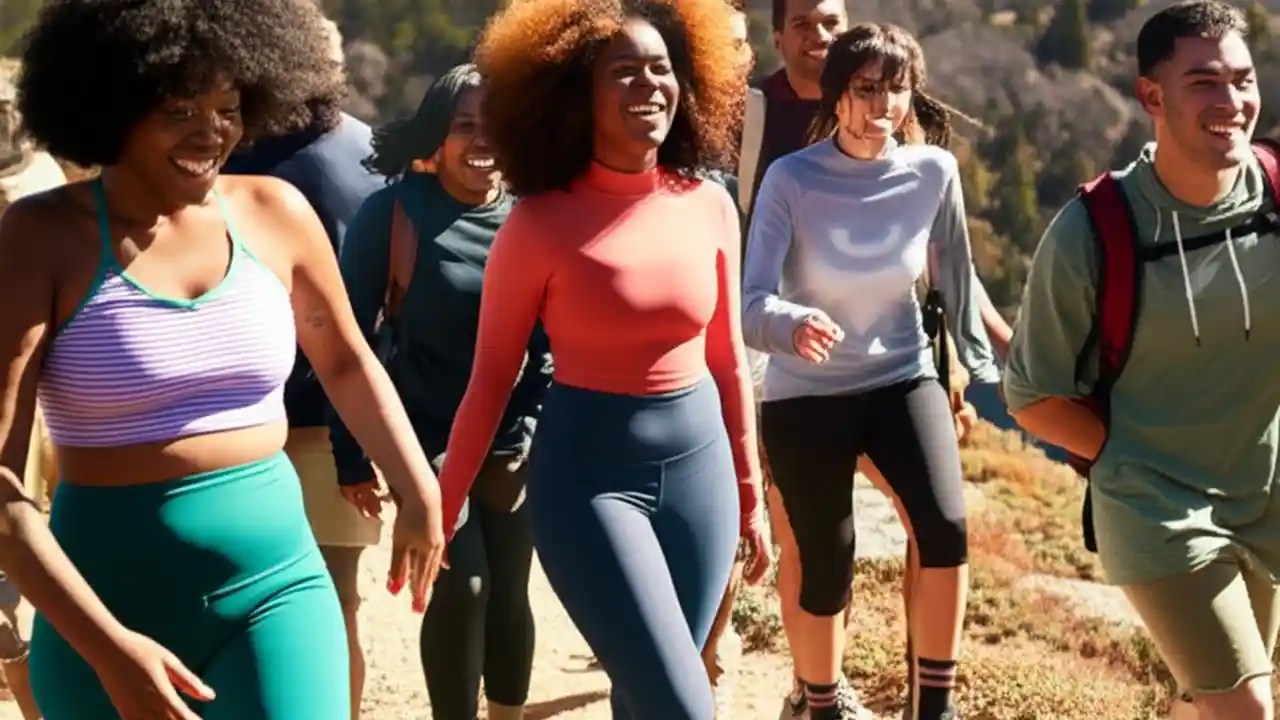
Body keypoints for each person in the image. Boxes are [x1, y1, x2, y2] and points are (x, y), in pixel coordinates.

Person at [0, 1, 445, 718]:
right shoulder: (41, 235)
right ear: (113, 105)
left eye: (230, 107)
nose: (213, 132)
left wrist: (417, 485)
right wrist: (112, 649)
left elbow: (347, 362)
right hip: (100, 609)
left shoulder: (277, 210)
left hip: (278, 591)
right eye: (180, 109)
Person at [438, 1, 773, 717]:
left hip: (701, 476)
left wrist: (750, 493)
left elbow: (727, 360)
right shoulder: (536, 225)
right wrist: (443, 506)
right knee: (683, 704)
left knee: (647, 694)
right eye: (624, 72)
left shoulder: (710, 205)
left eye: (661, 69)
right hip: (588, 481)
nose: (649, 85)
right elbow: (493, 378)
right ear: (576, 98)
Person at [1005, 3, 1280, 719]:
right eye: (1204, 83)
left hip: (1265, 495)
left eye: (1243, 81)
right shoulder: (1093, 231)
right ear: (1150, 95)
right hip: (1158, 509)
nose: (1232, 102)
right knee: (1247, 709)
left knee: (1210, 700)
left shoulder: (1276, 195)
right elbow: (1032, 394)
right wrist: (1131, 457)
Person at [743, 22, 1000, 720]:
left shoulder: (933, 172)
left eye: (897, 89)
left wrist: (973, 370)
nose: (882, 105)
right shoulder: (790, 179)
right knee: (828, 562)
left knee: (944, 528)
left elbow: (954, 281)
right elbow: (751, 301)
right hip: (805, 392)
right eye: (865, 89)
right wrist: (791, 324)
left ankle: (934, 707)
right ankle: (820, 701)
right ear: (838, 95)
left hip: (901, 377)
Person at [332, 63, 550, 720]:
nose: (482, 142)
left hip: (514, 440)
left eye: (495, 128)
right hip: (424, 441)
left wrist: (537, 430)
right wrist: (352, 457)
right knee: (466, 586)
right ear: (438, 135)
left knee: (511, 591)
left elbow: (551, 347)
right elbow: (347, 342)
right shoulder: (394, 214)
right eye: (465, 127)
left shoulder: (535, 218)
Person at [219, 16, 386, 718]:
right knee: (332, 598)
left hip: (268, 419)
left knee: (282, 600)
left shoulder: (246, 160)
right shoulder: (371, 152)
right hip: (321, 419)